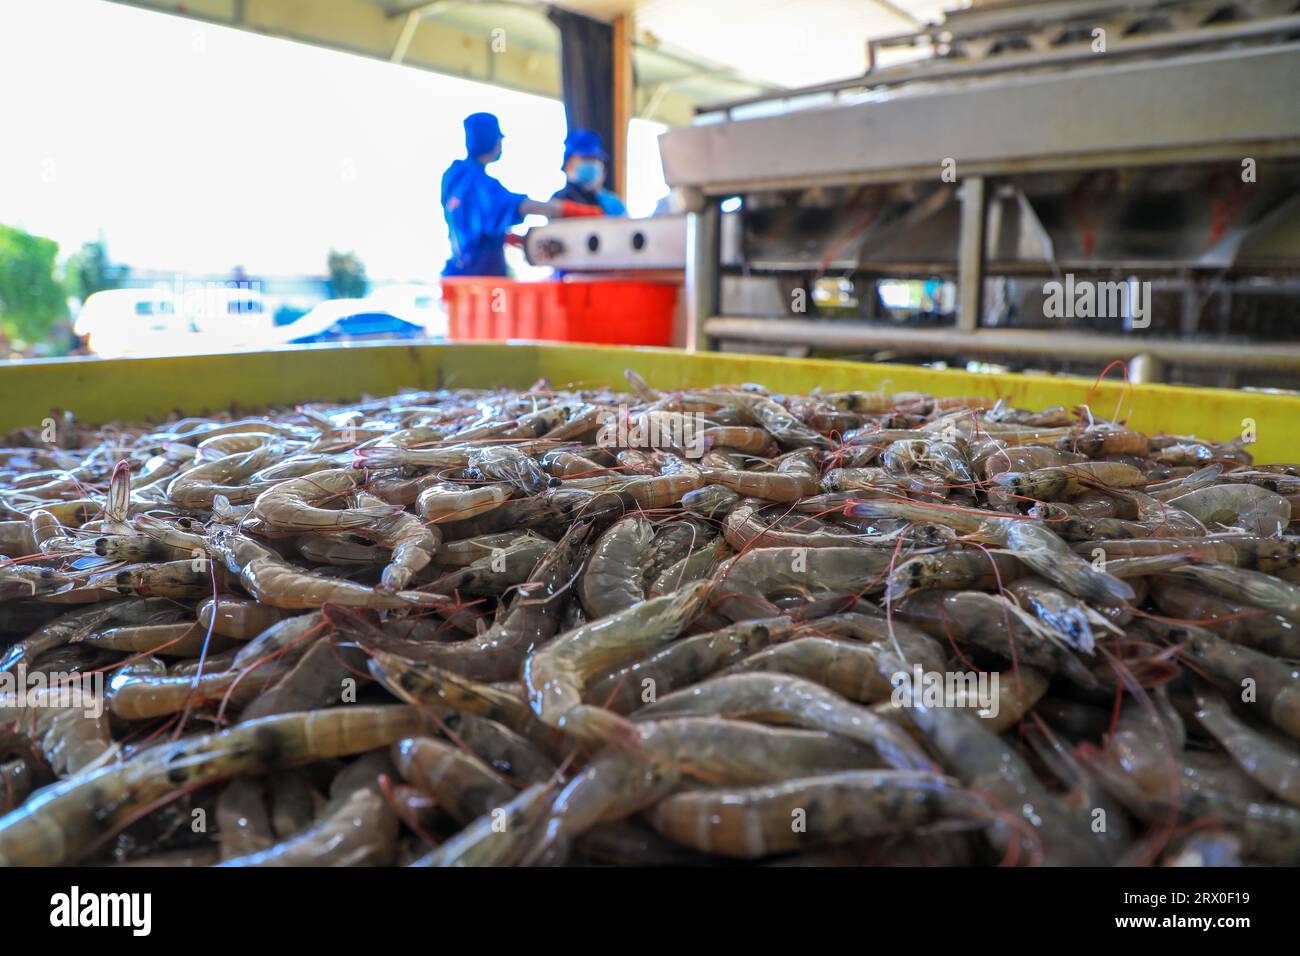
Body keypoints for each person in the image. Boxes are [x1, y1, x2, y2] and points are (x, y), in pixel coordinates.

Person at [441, 113, 597, 277]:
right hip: (478, 277)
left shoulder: (454, 176)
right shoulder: (479, 183)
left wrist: (509, 239)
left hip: (458, 274)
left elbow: (477, 225)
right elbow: (522, 206)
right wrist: (580, 211)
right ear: (491, 141)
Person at [551, 128, 627, 216]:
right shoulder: (559, 200)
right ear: (568, 165)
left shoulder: (611, 203)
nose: (591, 164)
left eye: (594, 159)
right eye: (586, 159)